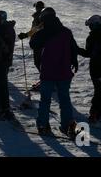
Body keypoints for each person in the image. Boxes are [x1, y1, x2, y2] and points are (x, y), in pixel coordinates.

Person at [29, 7, 79, 138]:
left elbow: (33, 44)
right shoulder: (66, 32)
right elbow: (73, 48)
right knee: (65, 99)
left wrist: (38, 31)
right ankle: (67, 125)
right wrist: (74, 61)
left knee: (45, 100)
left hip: (48, 72)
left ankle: (43, 125)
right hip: (64, 72)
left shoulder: (45, 32)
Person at [18, 1, 45, 90]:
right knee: (39, 63)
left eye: (37, 7)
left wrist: (26, 35)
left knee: (40, 63)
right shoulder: (39, 16)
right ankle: (44, 80)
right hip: (38, 43)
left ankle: (46, 81)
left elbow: (36, 29)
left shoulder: (40, 17)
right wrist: (27, 35)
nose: (37, 9)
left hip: (40, 43)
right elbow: (34, 29)